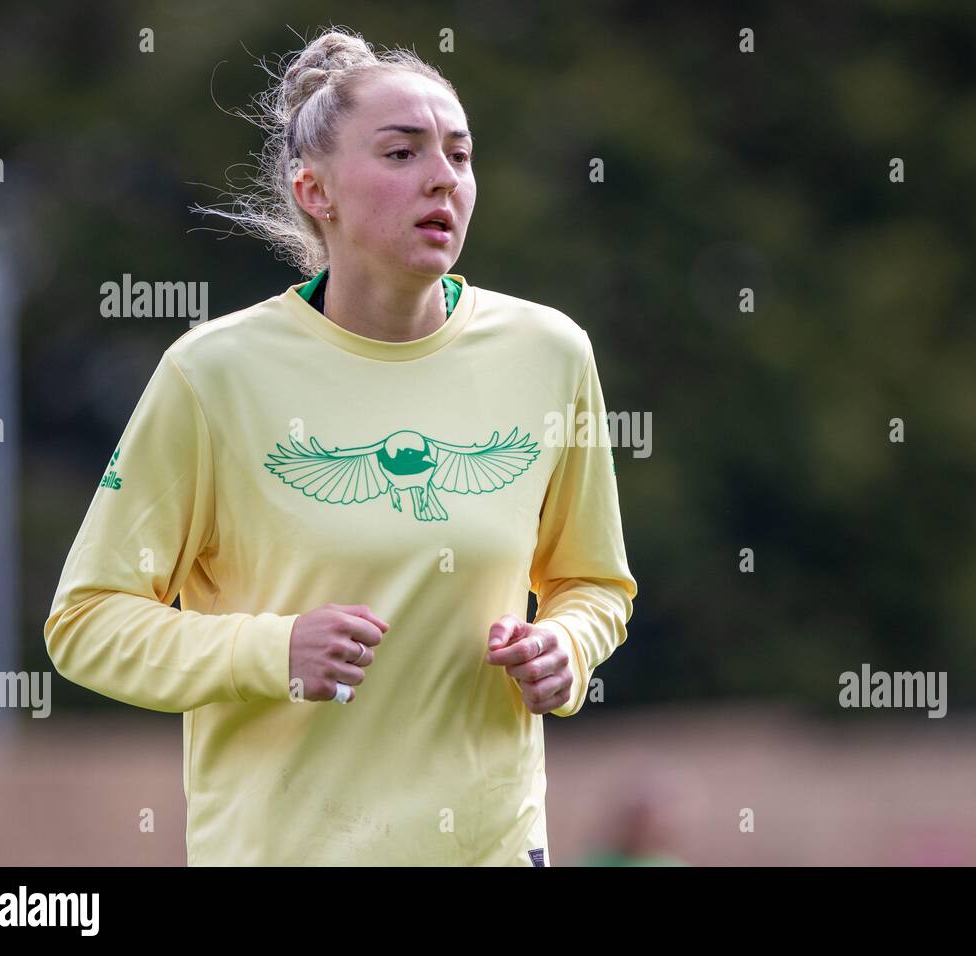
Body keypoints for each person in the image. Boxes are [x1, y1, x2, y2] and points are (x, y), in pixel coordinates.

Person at [43, 25, 637, 866]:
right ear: (314, 191)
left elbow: (593, 583)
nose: (443, 178)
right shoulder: (212, 374)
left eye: (460, 156)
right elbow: (86, 624)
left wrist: (566, 648)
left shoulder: (551, 355)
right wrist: (272, 649)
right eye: (402, 154)